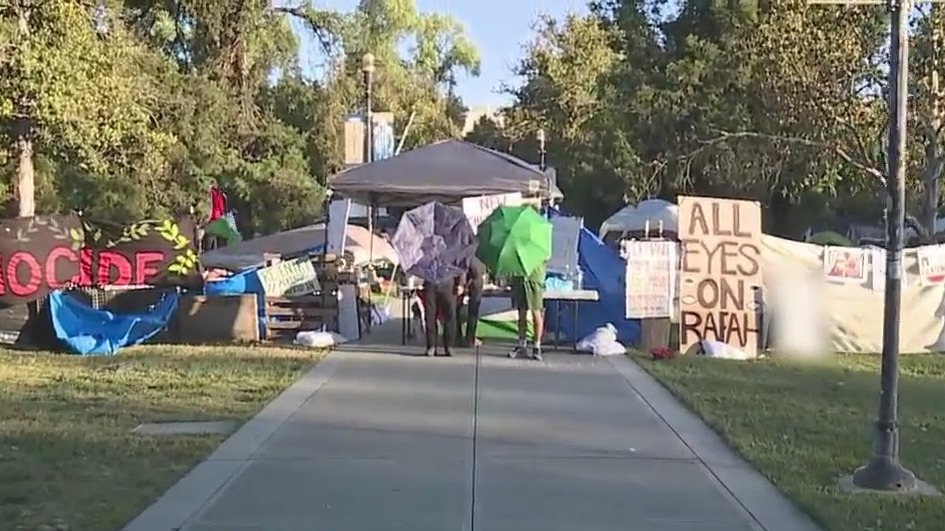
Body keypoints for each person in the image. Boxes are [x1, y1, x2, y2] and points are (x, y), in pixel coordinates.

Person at [508, 260, 547, 361]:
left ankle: (537, 346)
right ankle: (522, 345)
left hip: (534, 280)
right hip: (520, 279)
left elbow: (545, 257)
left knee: (536, 313)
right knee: (522, 315)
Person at [422, 272, 464, 357]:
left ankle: (449, 346)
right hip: (431, 284)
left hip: (448, 284)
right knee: (430, 316)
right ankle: (431, 346)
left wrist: (461, 283)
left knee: (450, 316)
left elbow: (460, 266)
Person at [458, 257, 486, 347]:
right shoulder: (479, 253)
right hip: (475, 278)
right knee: (473, 311)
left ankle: (458, 337)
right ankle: (470, 339)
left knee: (457, 308)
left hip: (465, 276)